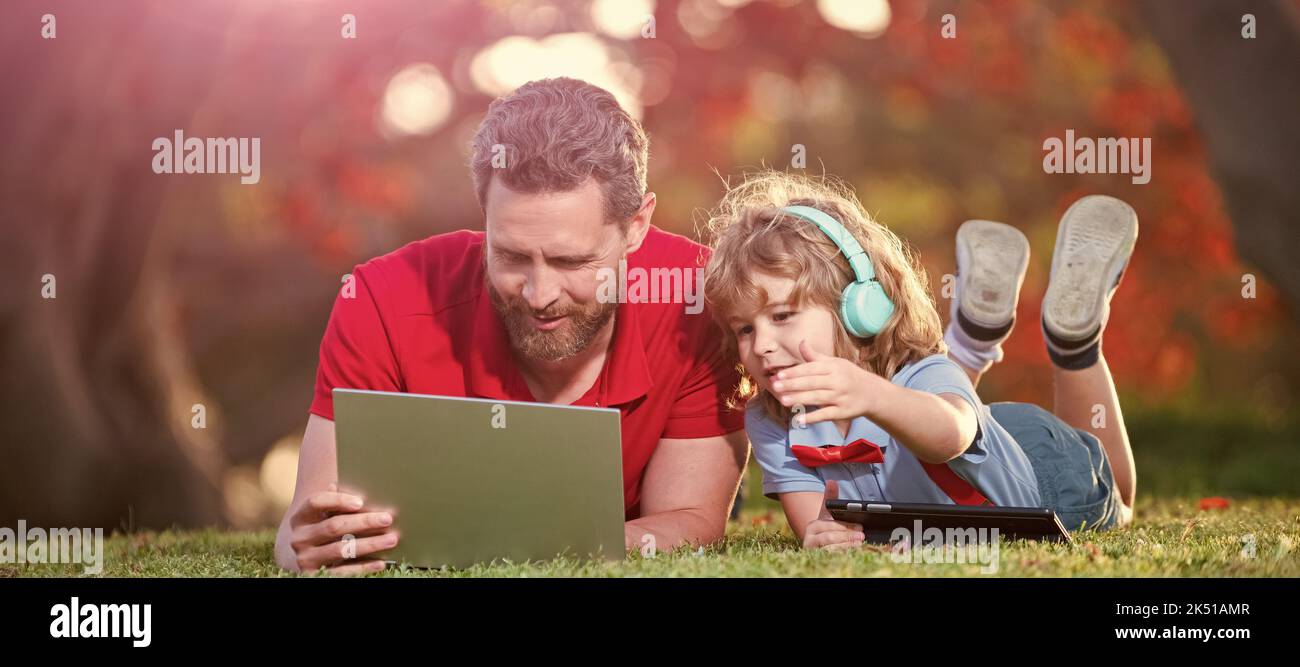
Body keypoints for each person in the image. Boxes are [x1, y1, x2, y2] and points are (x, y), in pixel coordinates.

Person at [275, 78, 749, 574]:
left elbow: (688, 518)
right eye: (511, 255)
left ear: (635, 227)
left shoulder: (699, 297)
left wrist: (539, 551)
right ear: (485, 214)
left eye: (572, 261)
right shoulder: (379, 299)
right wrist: (311, 547)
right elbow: (300, 532)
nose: (539, 295)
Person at [701, 170, 1137, 549]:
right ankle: (976, 339)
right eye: (745, 329)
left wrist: (871, 395)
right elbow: (817, 522)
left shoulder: (924, 373)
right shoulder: (772, 417)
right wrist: (824, 535)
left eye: (782, 316)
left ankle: (1074, 344)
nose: (760, 345)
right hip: (980, 452)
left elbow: (952, 434)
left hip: (1044, 476)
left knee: (1120, 494)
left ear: (859, 305)